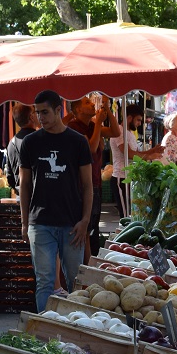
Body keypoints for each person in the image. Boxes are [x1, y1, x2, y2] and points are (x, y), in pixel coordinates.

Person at [18, 90, 93, 310]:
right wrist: (24, 223)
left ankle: (75, 327)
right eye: (37, 112)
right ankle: (44, 328)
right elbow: (24, 185)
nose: (40, 117)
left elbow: (88, 186)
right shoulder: (30, 142)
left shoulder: (78, 142)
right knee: (44, 282)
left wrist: (85, 221)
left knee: (75, 282)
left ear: (58, 110)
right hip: (40, 223)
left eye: (45, 112)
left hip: (72, 224)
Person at [64, 94, 121, 257]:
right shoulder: (73, 127)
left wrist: (107, 109)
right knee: (86, 230)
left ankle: (87, 262)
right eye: (87, 102)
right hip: (81, 185)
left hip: (95, 182)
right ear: (78, 110)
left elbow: (116, 132)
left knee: (92, 229)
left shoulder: (92, 125)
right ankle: (86, 264)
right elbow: (91, 148)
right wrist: (99, 124)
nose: (92, 104)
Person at [111, 106, 163, 217]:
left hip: (130, 177)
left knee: (132, 214)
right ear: (129, 118)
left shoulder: (129, 133)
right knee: (126, 215)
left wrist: (153, 150)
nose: (140, 123)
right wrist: (149, 156)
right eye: (138, 120)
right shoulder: (119, 131)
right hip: (121, 177)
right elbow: (128, 154)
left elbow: (138, 153)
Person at [4, 103, 36, 192]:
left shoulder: (11, 143)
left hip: (20, 194)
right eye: (36, 112)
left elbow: (9, 176)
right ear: (31, 117)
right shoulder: (38, 140)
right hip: (38, 194)